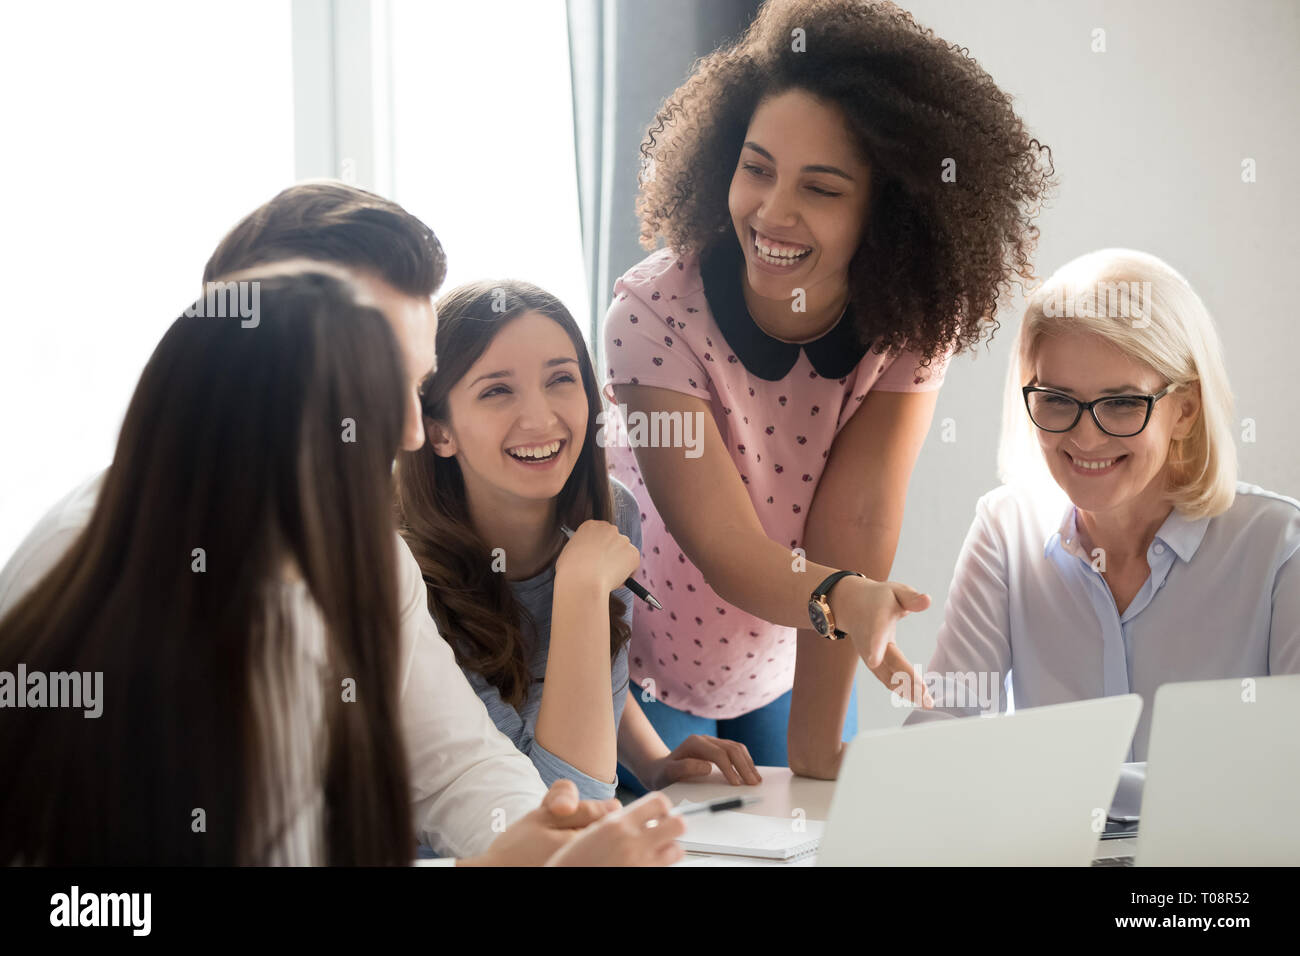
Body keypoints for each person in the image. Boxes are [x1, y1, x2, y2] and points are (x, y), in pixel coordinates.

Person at [0, 184, 684, 865]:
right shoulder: (96, 570)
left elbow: (457, 767)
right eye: (380, 382)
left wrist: (554, 840)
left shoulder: (372, 560)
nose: (414, 433)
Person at [601, 0, 1054, 779]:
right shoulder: (651, 316)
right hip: (646, 672)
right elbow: (725, 547)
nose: (773, 211)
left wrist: (816, 743)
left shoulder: (913, 322)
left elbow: (860, 516)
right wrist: (845, 600)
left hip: (793, 656)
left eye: (822, 187)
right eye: (757, 168)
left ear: (885, 210)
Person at [910, 248, 1300, 760]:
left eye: (1121, 403)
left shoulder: (1277, 547)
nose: (1085, 437)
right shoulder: (1007, 529)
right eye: (1056, 399)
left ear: (1184, 410)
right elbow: (943, 730)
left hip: (1220, 844)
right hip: (1050, 843)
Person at [395, 280, 761, 799]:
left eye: (561, 379)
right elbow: (559, 812)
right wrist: (581, 591)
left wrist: (653, 762)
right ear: (439, 431)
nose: (542, 418)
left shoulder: (612, 513)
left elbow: (584, 669)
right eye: (497, 390)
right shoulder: (398, 570)